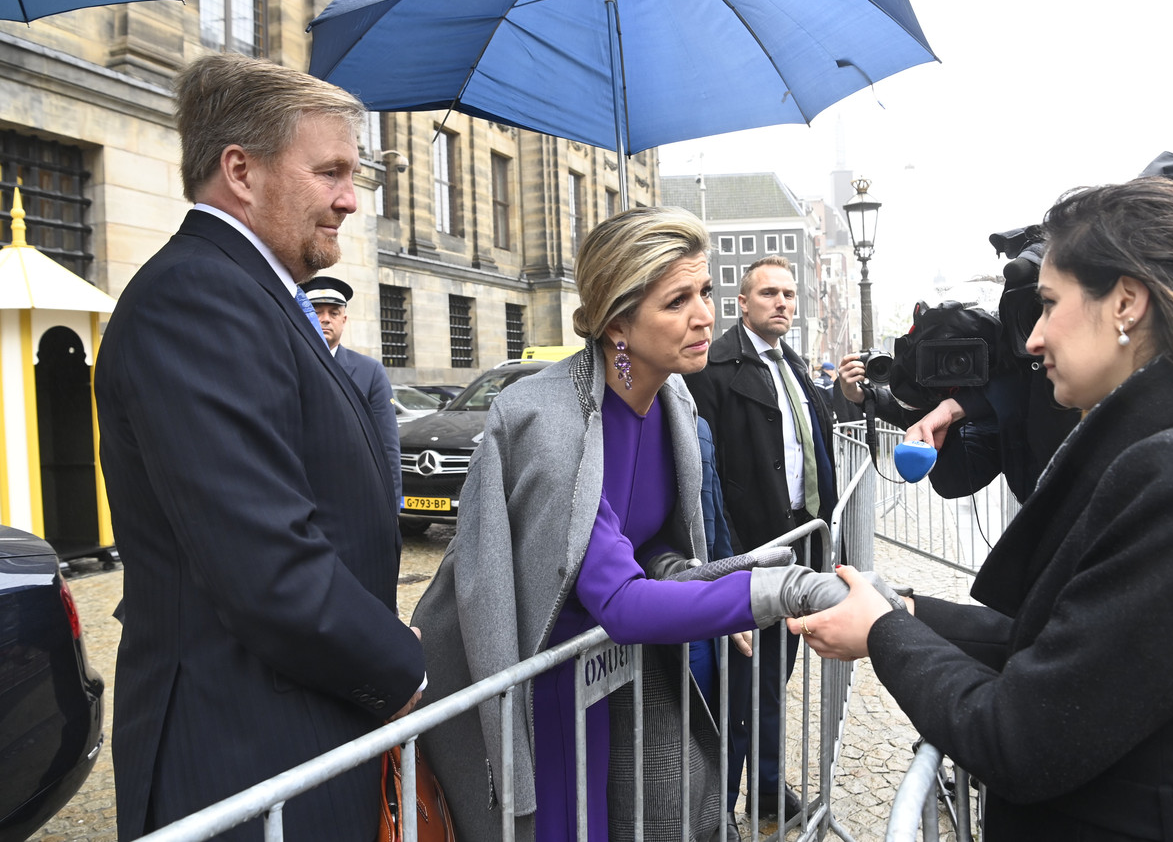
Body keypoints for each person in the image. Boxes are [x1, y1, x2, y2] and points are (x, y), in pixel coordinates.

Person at [798, 177, 1173, 841]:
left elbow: (1020, 739)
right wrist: (910, 613)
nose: (1031, 340)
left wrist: (884, 633)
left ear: (1126, 304)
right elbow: (1082, 654)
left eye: (1049, 305)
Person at [412, 207, 869, 842]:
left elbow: (645, 541)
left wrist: (705, 578)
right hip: (538, 679)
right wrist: (785, 590)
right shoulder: (551, 424)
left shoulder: (673, 399)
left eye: (704, 291)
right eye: (677, 301)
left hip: (605, 670)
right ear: (617, 324)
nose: (705, 315)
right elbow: (621, 601)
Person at [94, 53, 426, 842]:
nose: (350, 199)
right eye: (330, 172)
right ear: (241, 171)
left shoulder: (249, 290)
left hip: (291, 733)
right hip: (240, 751)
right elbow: (268, 564)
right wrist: (401, 669)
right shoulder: (197, 296)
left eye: (354, 174)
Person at [684, 256, 839, 825]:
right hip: (748, 553)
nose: (782, 302)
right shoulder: (713, 367)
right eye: (770, 292)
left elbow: (810, 446)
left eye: (789, 294)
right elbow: (706, 477)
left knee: (774, 681)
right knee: (738, 690)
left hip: (801, 544)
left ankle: (768, 790)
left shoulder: (792, 363)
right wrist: (728, 566)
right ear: (742, 303)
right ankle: (718, 811)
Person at [300, 275, 403, 508]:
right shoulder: (288, 363)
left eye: (333, 313)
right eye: (317, 311)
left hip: (353, 498)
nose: (326, 319)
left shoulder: (370, 371)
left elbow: (387, 445)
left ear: (344, 320)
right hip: (301, 498)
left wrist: (392, 506)